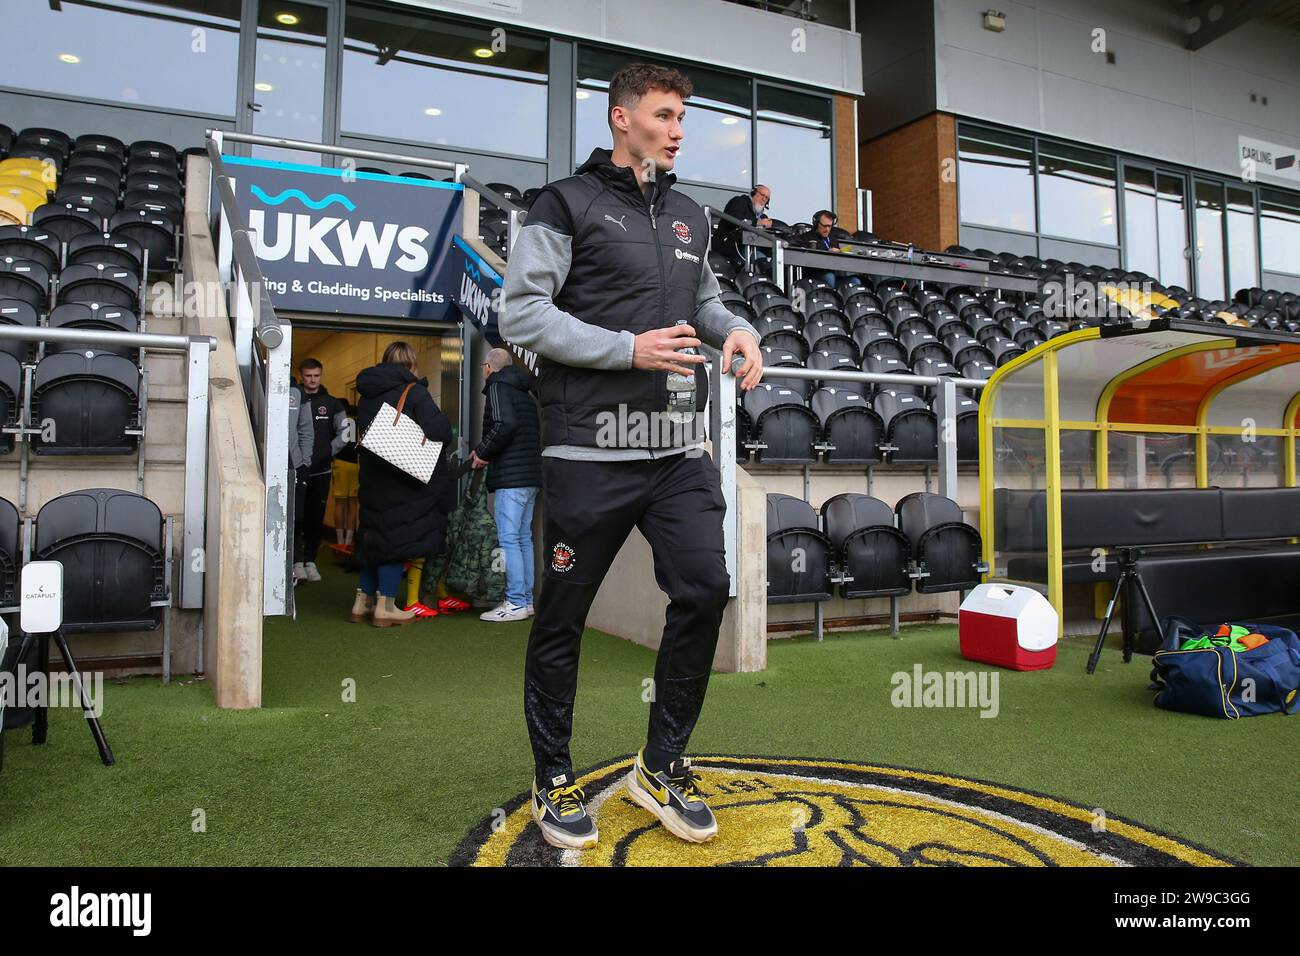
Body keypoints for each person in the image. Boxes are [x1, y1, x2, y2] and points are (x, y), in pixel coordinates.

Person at [499, 61, 763, 850]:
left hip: (678, 448)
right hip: (587, 448)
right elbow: (522, 315)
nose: (678, 129)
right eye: (665, 114)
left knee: (707, 588)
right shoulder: (564, 203)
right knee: (562, 619)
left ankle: (660, 764)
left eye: (683, 117)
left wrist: (738, 331)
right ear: (622, 119)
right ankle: (554, 776)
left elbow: (705, 302)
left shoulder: (691, 215)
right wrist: (628, 349)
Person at [352, 342, 456, 627]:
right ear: (411, 365)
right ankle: (386, 606)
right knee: (395, 539)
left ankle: (362, 602)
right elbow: (440, 431)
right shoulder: (414, 392)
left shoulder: (367, 394)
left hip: (373, 475)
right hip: (403, 478)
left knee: (373, 536)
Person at [470, 347, 542, 623]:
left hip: (512, 477)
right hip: (530, 475)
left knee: (510, 538)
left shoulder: (498, 387)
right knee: (523, 538)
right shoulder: (522, 390)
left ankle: (514, 601)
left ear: (489, 367)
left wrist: (482, 452)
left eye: (483, 368)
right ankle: (524, 601)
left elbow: (503, 424)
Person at [295, 357, 348, 583]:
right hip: (298, 470)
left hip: (321, 471)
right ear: (301, 376)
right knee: (296, 518)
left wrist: (326, 454)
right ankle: (296, 562)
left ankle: (310, 561)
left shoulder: (333, 403)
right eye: (308, 376)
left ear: (321, 375)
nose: (313, 380)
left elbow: (345, 434)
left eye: (316, 375)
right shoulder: (293, 400)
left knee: (314, 519)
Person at [289, 378, 314, 586]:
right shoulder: (259, 382)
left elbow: (306, 430)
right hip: (266, 463)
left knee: (296, 517)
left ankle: (295, 563)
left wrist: (304, 462)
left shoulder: (297, 393)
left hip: (294, 465)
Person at [713, 185, 772, 269]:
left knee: (770, 260)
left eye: (767, 198)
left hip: (751, 250)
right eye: (762, 195)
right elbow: (735, 220)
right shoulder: (739, 202)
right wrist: (757, 223)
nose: (764, 199)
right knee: (761, 260)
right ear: (753, 193)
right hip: (729, 248)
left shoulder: (763, 217)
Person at [332, 399, 359, 550]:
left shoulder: (342, 421)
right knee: (353, 503)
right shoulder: (359, 422)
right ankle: (349, 541)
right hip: (355, 464)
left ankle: (339, 540)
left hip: (341, 463)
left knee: (340, 503)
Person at [795, 209, 840, 289]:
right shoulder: (806, 237)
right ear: (816, 224)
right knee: (829, 277)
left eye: (829, 226)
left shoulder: (833, 239)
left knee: (855, 280)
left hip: (834, 272)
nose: (827, 229)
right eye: (824, 226)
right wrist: (827, 251)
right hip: (814, 273)